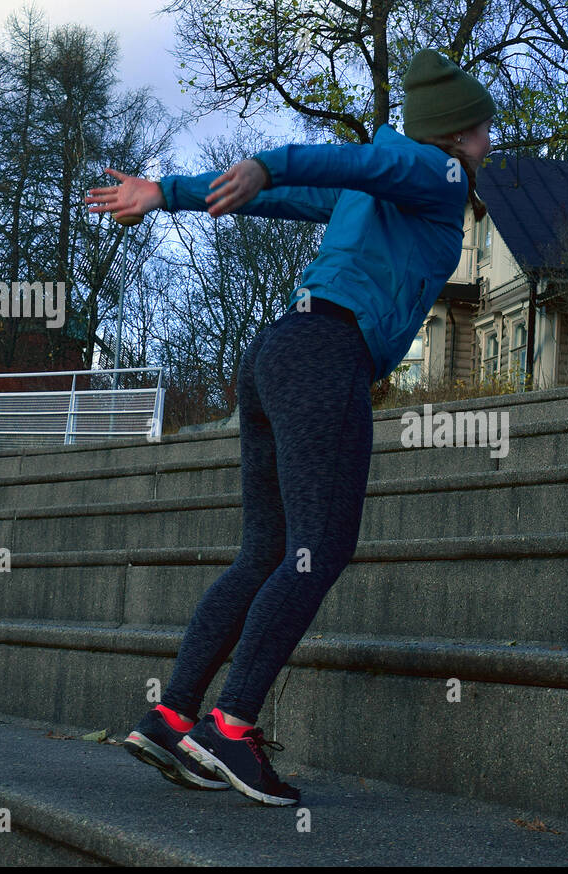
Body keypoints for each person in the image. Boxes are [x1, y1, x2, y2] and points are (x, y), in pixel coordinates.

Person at [83, 49, 495, 806]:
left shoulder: (381, 190)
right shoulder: (438, 176)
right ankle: (231, 729)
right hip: (325, 356)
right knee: (322, 547)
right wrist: (267, 165)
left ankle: (172, 714)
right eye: (483, 130)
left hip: (276, 353)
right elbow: (328, 167)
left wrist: (167, 191)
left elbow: (303, 189)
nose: (490, 143)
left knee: (264, 553)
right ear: (458, 133)